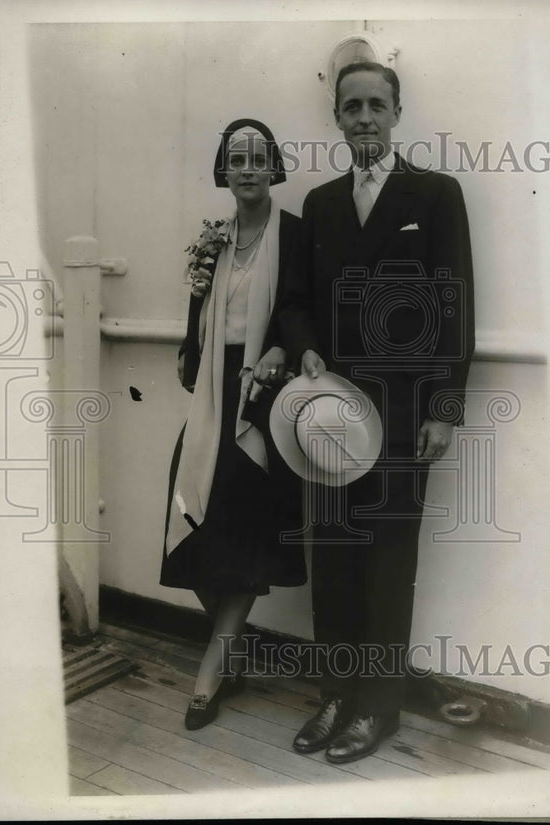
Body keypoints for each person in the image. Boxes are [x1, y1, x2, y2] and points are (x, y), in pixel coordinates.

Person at [278, 62, 475, 763]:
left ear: (397, 113)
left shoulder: (435, 194)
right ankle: (336, 693)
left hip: (401, 413)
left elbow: (455, 302)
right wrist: (303, 353)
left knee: (389, 557)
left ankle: (379, 707)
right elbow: (294, 302)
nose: (364, 117)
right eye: (351, 106)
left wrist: (444, 408)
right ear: (336, 117)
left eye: (376, 106)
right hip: (330, 413)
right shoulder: (321, 203)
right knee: (332, 553)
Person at [161, 118, 306, 729]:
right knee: (188, 514)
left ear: (275, 167)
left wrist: (280, 351)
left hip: (262, 395)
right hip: (214, 392)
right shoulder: (214, 239)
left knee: (243, 531)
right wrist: (189, 350)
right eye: (236, 158)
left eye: (259, 157)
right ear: (224, 169)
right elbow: (200, 320)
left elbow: (305, 310)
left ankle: (209, 673)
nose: (248, 167)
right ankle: (233, 651)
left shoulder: (295, 235)